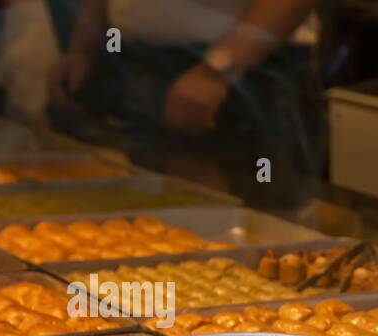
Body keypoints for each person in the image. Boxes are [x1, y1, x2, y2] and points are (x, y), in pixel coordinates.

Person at [46, 0, 323, 201]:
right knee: (154, 225)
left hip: (245, 69)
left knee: (253, 235)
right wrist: (84, 47)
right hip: (142, 63)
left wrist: (216, 72)